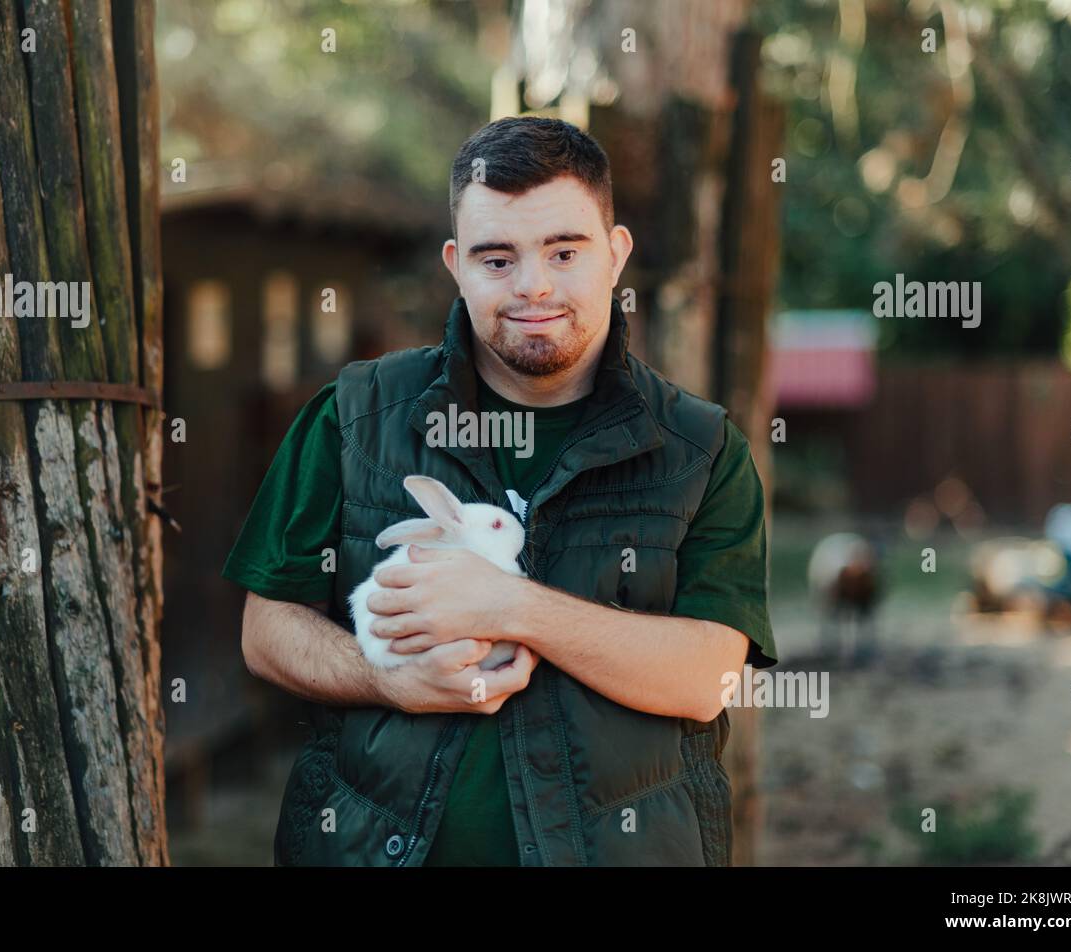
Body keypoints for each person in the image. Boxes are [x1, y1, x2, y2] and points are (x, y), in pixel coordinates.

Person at [223, 116, 777, 866]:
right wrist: (389, 680)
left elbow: (708, 677)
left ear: (614, 256)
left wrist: (512, 606)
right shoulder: (355, 417)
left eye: (564, 250)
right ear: (456, 265)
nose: (533, 285)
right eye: (497, 258)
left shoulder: (700, 451)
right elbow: (267, 629)